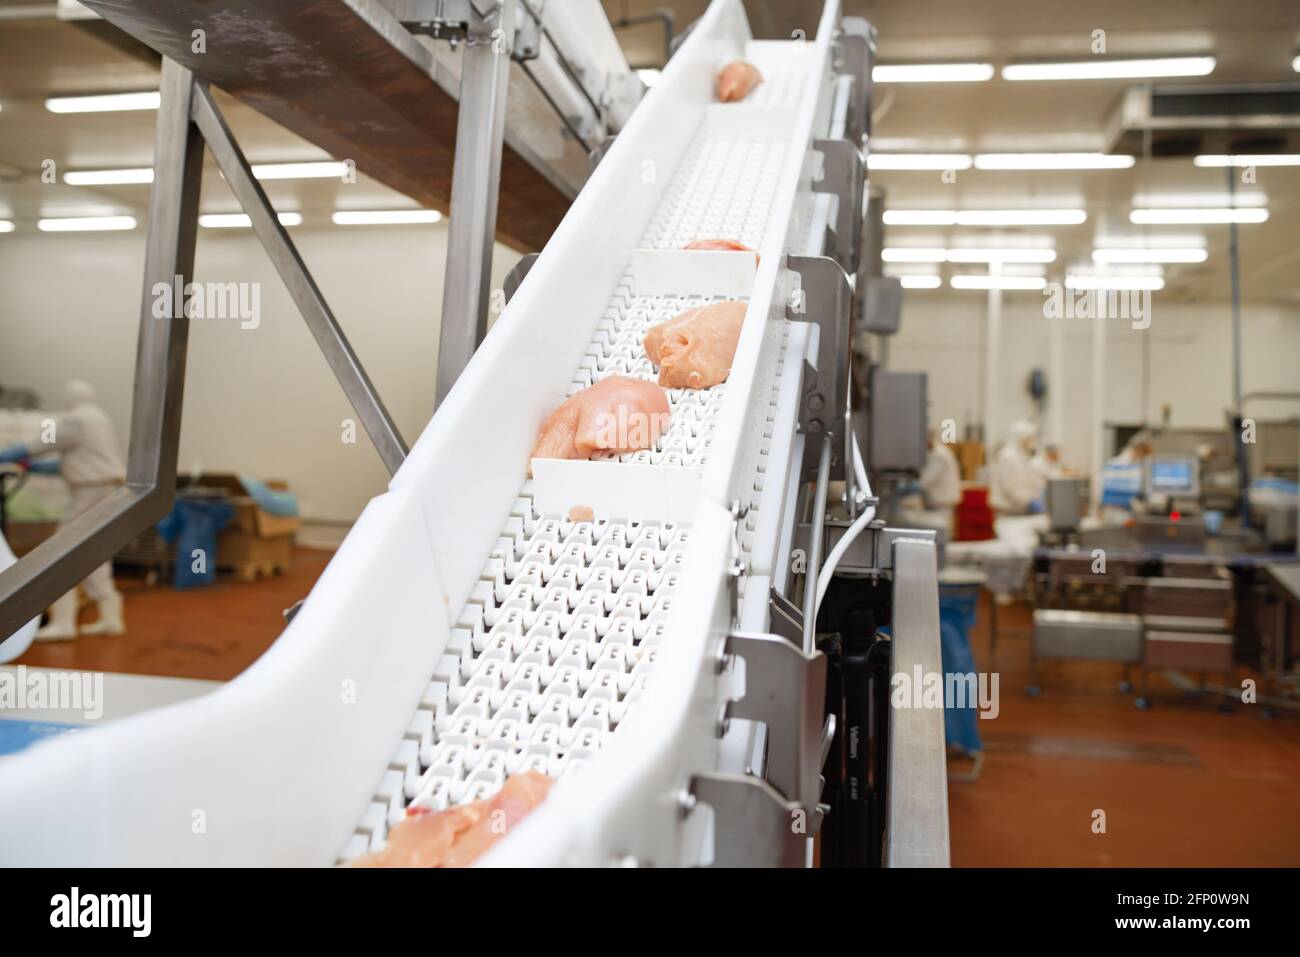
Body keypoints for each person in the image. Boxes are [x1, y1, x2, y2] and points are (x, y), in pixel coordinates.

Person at [0, 379, 127, 639]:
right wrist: (36, 468)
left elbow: (43, 444)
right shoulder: (100, 419)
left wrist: (11, 453)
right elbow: (75, 461)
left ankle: (63, 623)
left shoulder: (77, 420)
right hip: (106, 490)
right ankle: (111, 619)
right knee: (94, 552)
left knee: (59, 552)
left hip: (88, 492)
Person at [988, 420, 1046, 514]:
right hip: (1008, 509)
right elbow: (1009, 487)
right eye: (1029, 438)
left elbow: (1029, 481)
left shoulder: (1023, 456)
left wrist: (1036, 495)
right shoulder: (1007, 456)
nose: (1032, 441)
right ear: (1020, 438)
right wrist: (1028, 501)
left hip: (1021, 508)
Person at [918, 432, 962, 528]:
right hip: (938, 500)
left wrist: (913, 485)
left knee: (941, 530)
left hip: (942, 501)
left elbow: (927, 479)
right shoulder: (935, 452)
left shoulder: (939, 455)